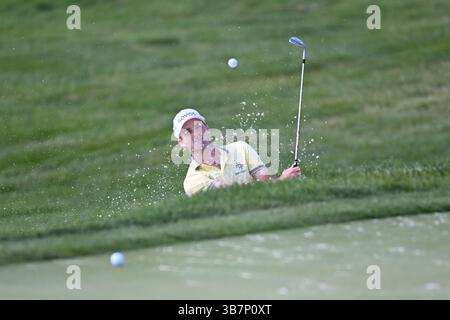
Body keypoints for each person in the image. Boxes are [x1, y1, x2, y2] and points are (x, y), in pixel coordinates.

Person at [173, 108, 300, 196]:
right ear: (181, 142)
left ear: (208, 129)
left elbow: (266, 182)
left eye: (198, 127)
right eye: (187, 132)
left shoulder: (241, 148)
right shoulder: (192, 181)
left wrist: (283, 180)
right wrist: (282, 180)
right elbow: (231, 194)